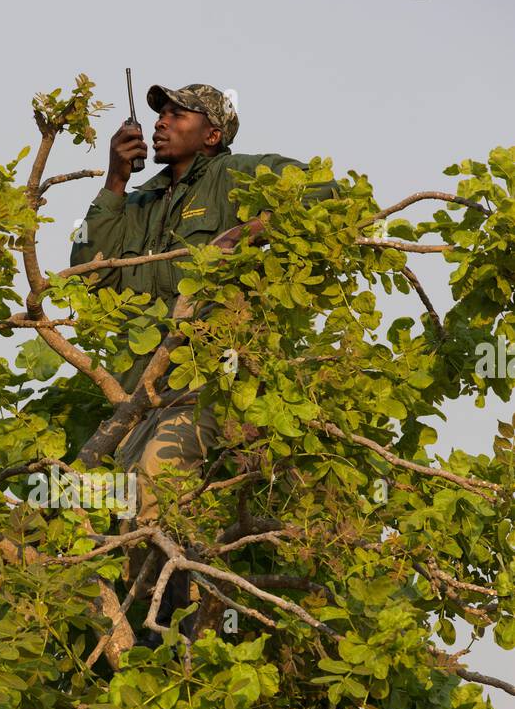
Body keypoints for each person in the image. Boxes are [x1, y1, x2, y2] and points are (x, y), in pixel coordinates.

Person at [69, 81, 338, 639]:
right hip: (140, 390)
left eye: (177, 113)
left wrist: (247, 232)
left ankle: (177, 628)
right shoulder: (140, 202)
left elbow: (331, 193)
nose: (161, 122)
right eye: (158, 114)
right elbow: (92, 276)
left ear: (212, 134)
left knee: (154, 478)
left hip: (212, 381)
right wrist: (116, 180)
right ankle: (153, 629)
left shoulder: (233, 176)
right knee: (120, 499)